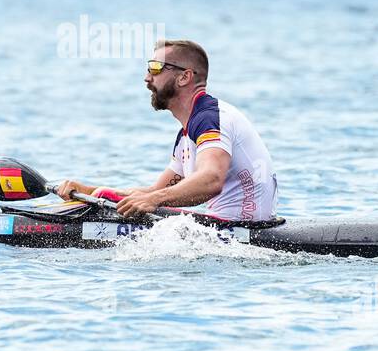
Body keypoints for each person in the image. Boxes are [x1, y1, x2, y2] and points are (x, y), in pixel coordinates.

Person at [57, 39, 278, 221]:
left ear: (184, 77)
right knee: (104, 196)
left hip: (240, 229)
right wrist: (87, 191)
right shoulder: (188, 133)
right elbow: (153, 192)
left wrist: (154, 200)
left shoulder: (210, 119)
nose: (147, 77)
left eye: (155, 68)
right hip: (228, 226)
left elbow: (211, 179)